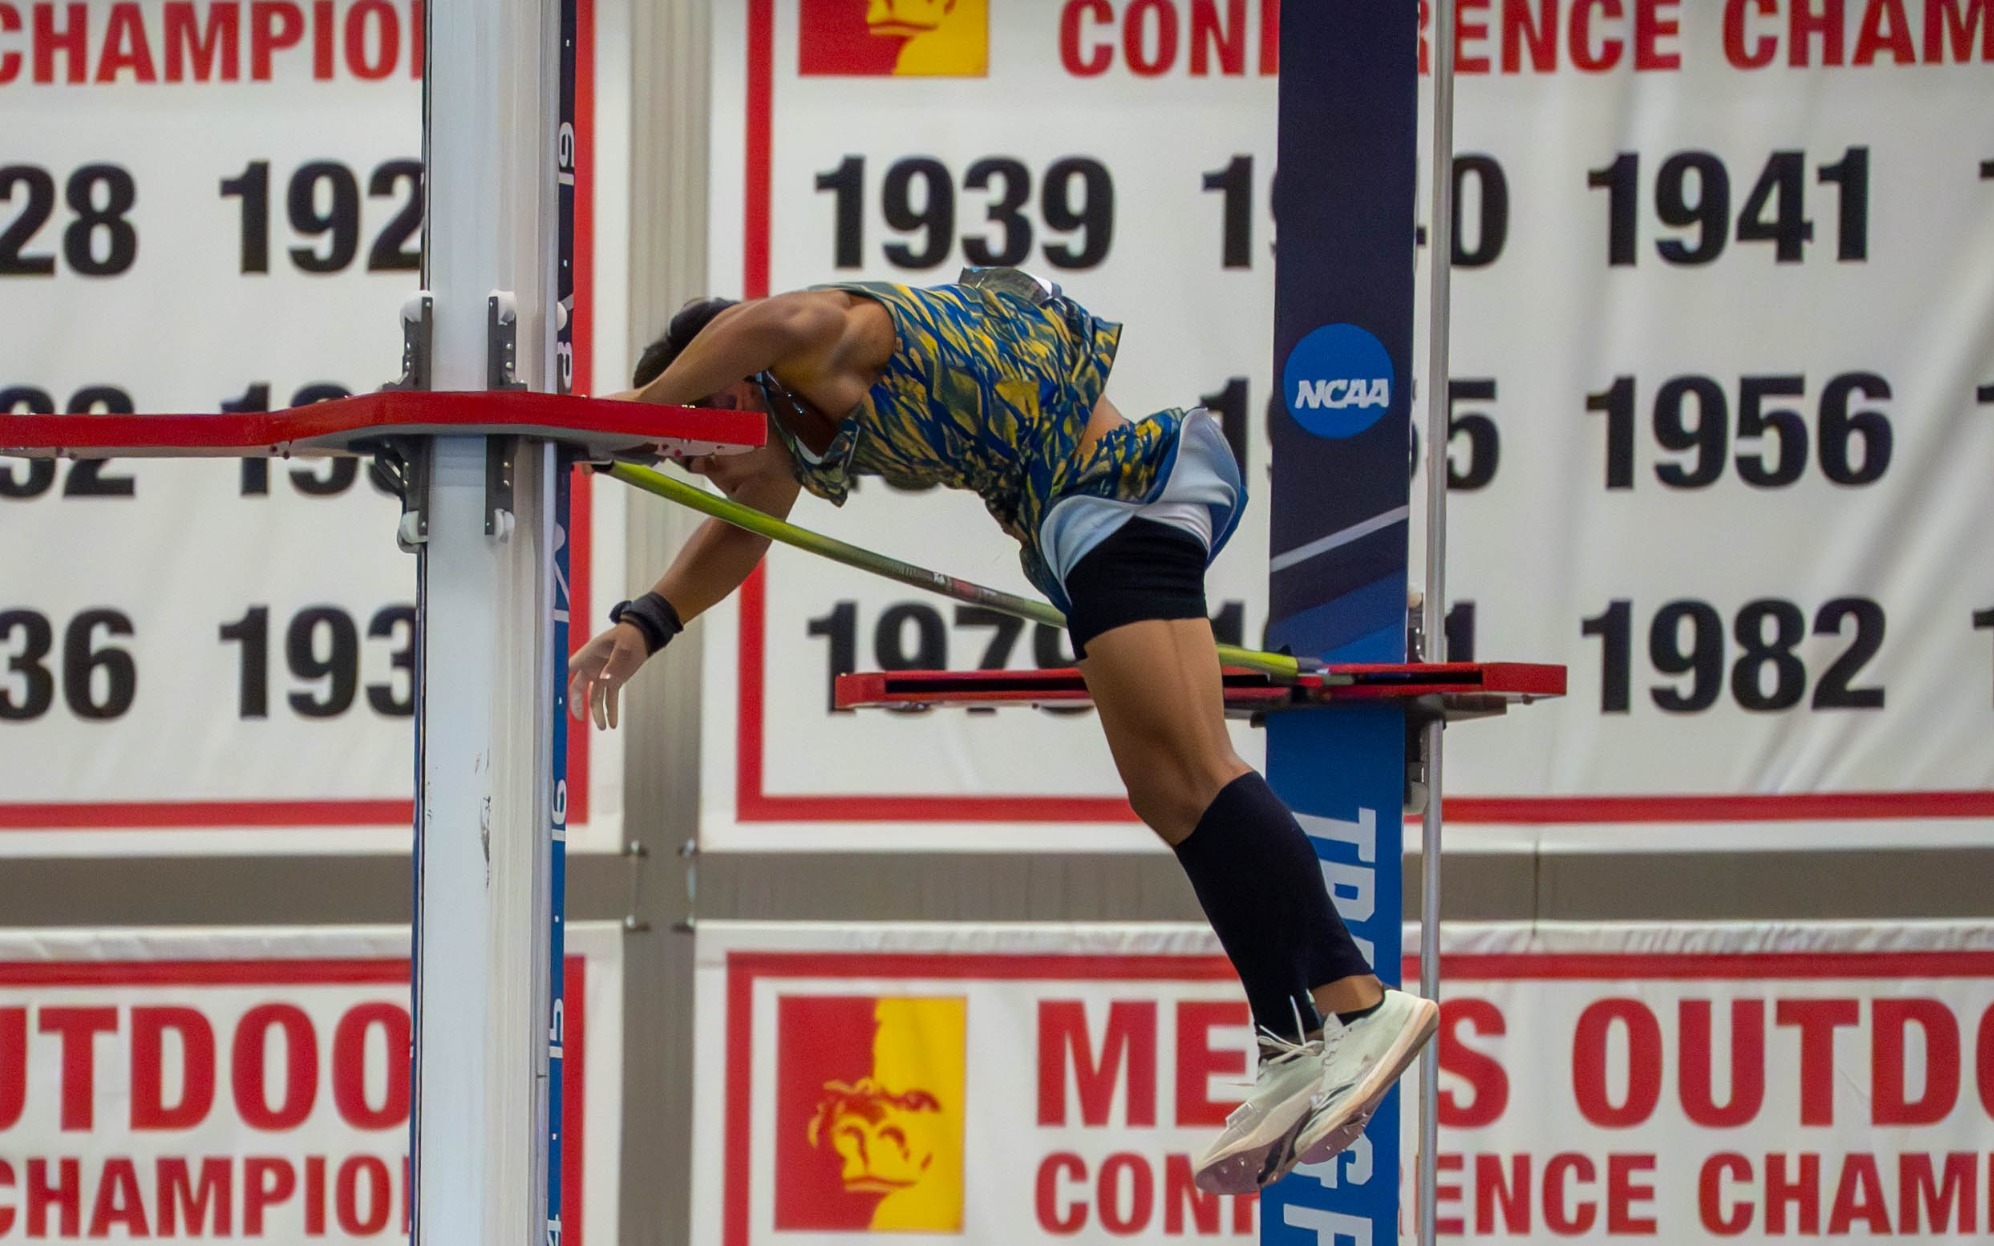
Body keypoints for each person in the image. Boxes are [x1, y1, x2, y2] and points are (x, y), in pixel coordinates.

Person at [567, 269, 1438, 1193]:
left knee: (1193, 776)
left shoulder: (827, 339)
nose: (713, 474)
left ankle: (1359, 1001)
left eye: (707, 450)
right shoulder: (799, 416)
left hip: (1115, 498)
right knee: (1173, 794)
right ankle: (1292, 1039)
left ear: (735, 388)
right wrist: (646, 622)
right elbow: (748, 525)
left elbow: (769, 317)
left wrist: (629, 413)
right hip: (1108, 511)